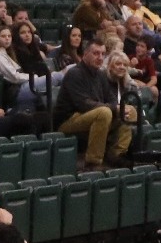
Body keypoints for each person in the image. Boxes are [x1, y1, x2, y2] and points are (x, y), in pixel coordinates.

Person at [55, 37, 129, 172]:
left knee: (130, 110)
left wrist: (118, 108)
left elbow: (111, 98)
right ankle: (93, 162)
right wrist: (113, 108)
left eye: (102, 54)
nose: (100, 57)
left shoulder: (100, 74)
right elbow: (83, 104)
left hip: (90, 114)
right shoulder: (75, 74)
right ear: (85, 54)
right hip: (69, 120)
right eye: (96, 53)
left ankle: (116, 154)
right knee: (104, 112)